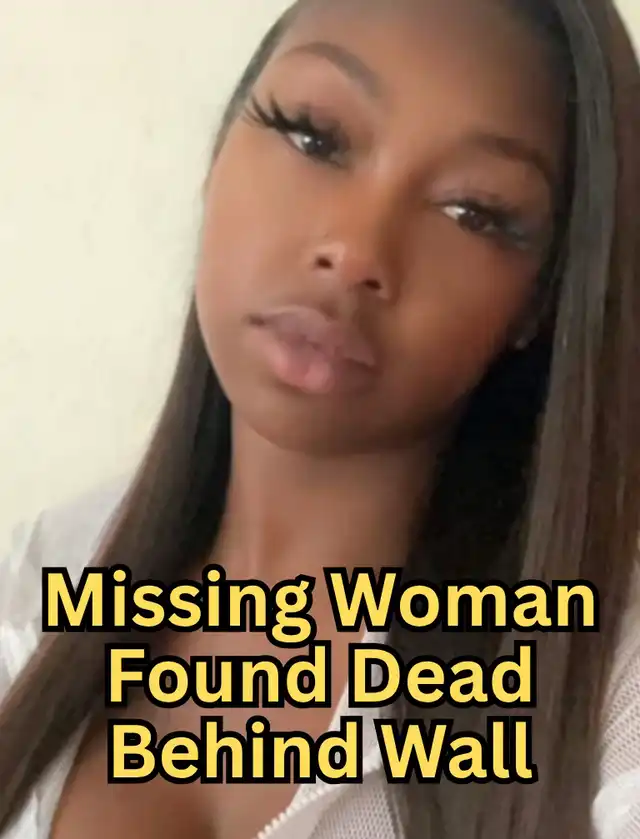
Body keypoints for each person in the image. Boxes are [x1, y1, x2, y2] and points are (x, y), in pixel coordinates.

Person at [1, 0, 640, 837]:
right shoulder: (31, 589)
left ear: (542, 301)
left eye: (475, 212)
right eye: (313, 136)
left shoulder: (609, 680)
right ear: (219, 153)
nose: (357, 249)